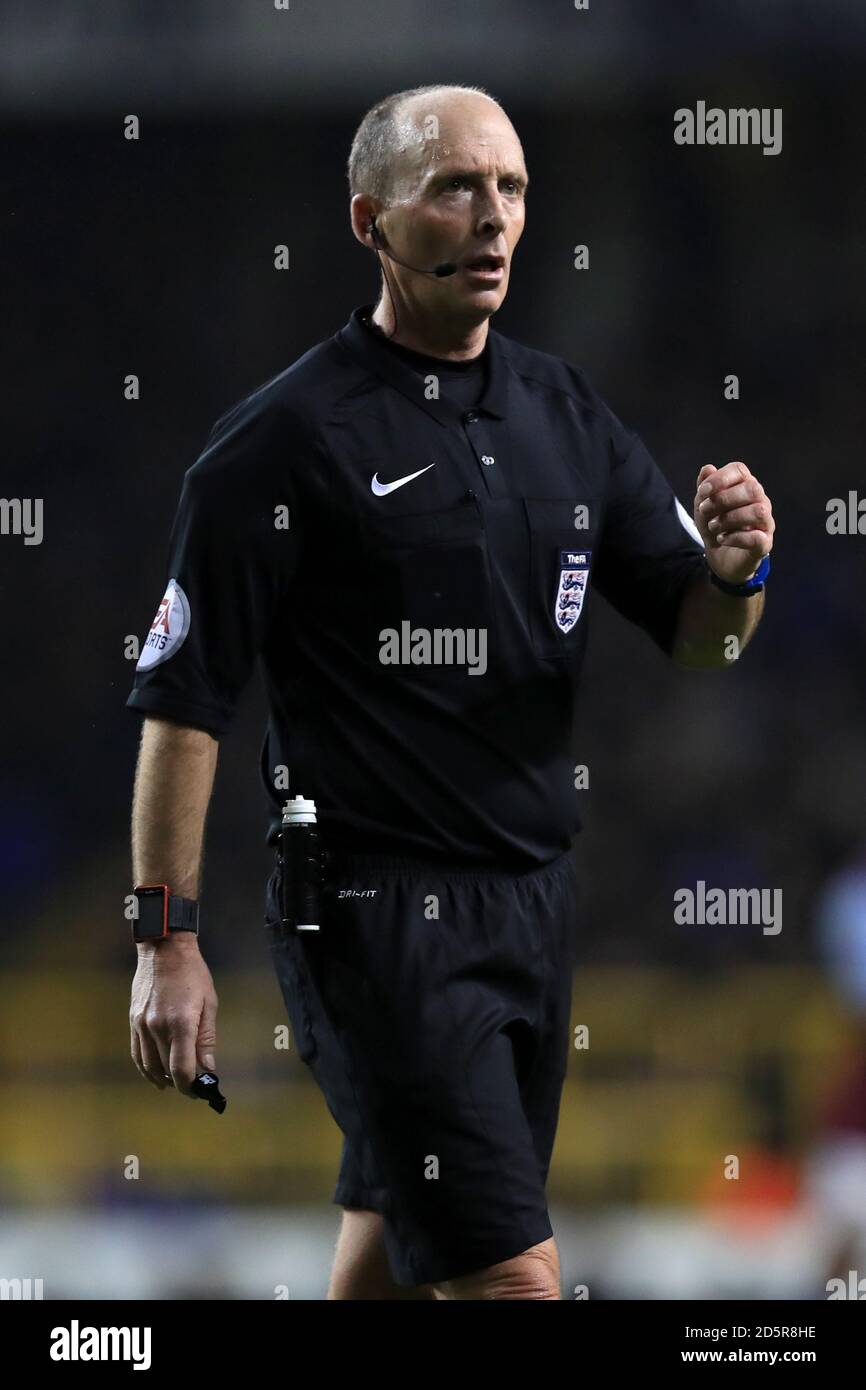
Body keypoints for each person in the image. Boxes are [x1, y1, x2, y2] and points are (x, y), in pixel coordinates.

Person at [126, 83, 775, 1300]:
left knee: (383, 1259)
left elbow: (700, 640)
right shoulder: (282, 443)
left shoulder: (564, 413)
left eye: (513, 189)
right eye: (456, 189)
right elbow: (185, 701)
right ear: (369, 218)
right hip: (374, 921)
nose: (493, 218)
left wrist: (737, 575)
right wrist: (166, 939)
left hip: (531, 903)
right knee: (510, 1280)